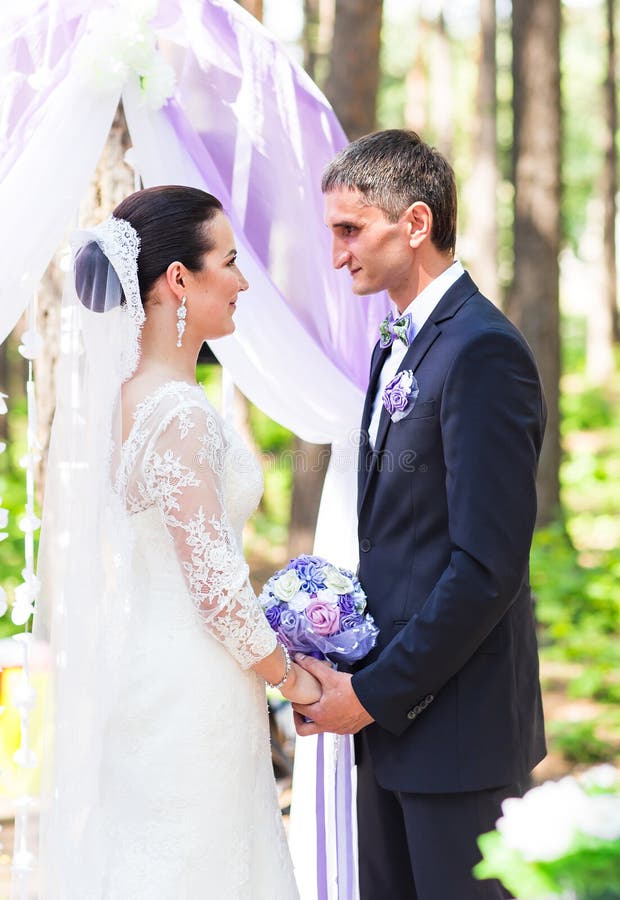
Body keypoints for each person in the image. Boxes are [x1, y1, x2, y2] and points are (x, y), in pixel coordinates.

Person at [33, 186, 320, 899]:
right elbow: (218, 589)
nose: (245, 280)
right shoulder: (177, 413)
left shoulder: (121, 401)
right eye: (228, 260)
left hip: (143, 666)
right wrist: (297, 681)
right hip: (194, 684)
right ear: (179, 280)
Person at [293, 130, 547, 899]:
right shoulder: (393, 346)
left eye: (350, 230)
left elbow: (486, 566)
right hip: (393, 728)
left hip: (459, 735)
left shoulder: (481, 351)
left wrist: (371, 695)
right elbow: (401, 538)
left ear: (414, 223)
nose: (338, 255)